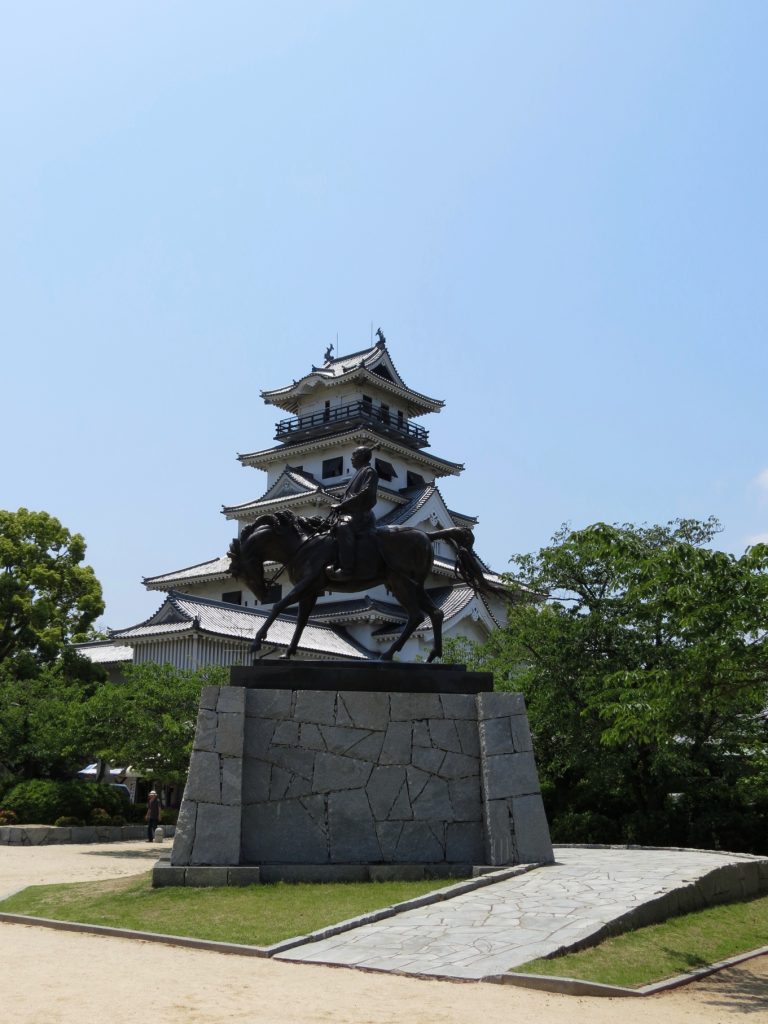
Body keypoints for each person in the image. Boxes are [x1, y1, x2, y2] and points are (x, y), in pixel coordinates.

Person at [326, 446, 379, 581]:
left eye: (354, 456)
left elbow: (366, 493)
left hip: (361, 514)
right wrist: (341, 502)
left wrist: (343, 505)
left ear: (361, 457)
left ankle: (347, 569)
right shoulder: (358, 473)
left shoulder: (369, 472)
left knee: (343, 527)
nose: (351, 459)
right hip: (351, 512)